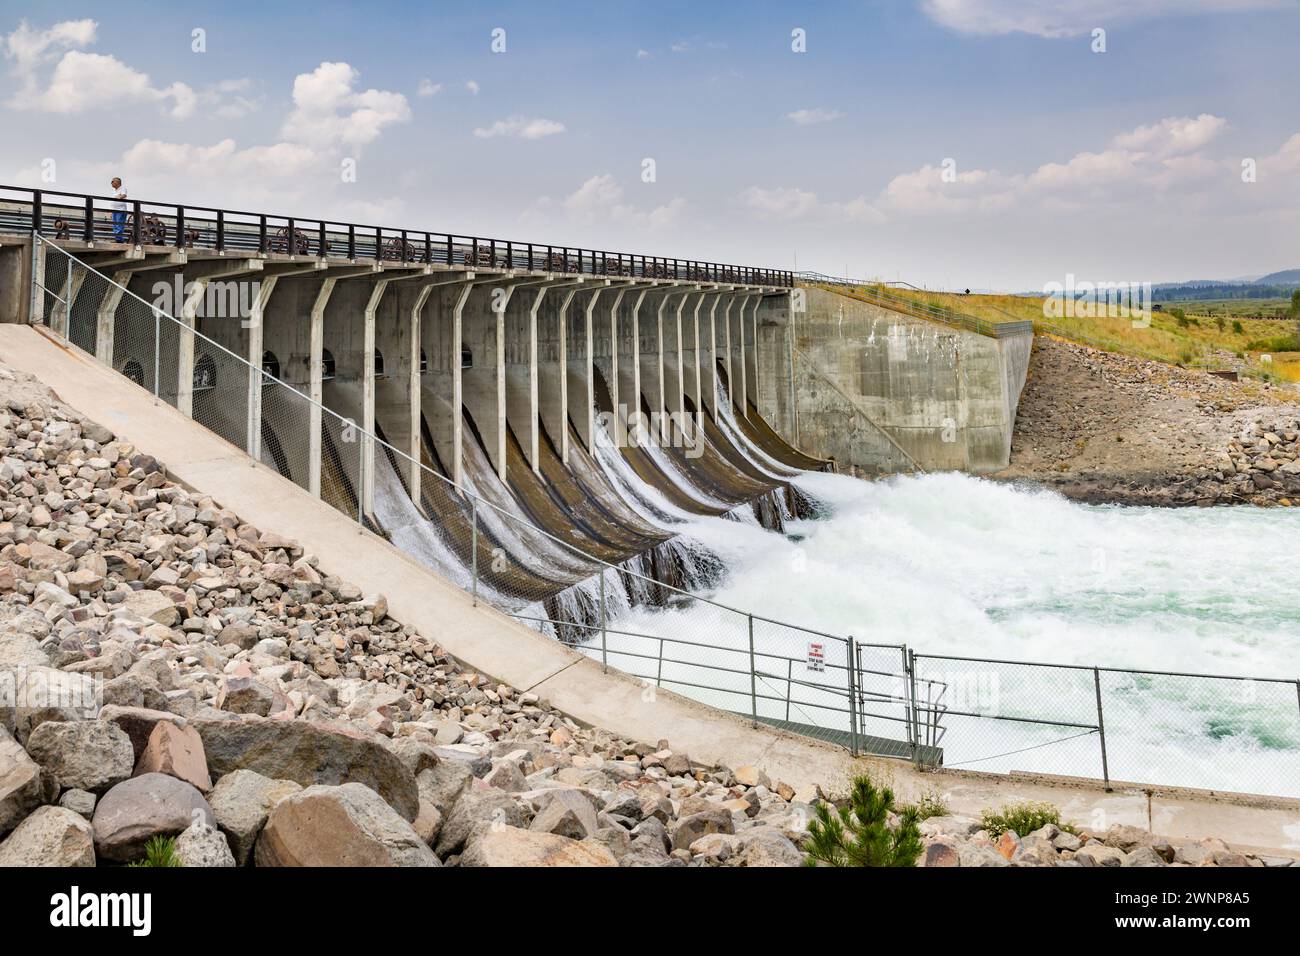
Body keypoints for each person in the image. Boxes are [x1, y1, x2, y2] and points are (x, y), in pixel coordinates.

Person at [110, 177, 128, 241]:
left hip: (121, 210)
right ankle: (117, 238)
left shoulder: (122, 188)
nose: (111, 183)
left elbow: (124, 195)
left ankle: (119, 239)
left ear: (117, 182)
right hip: (114, 210)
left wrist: (119, 197)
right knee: (115, 225)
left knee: (119, 224)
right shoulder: (115, 191)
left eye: (112, 181)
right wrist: (111, 211)